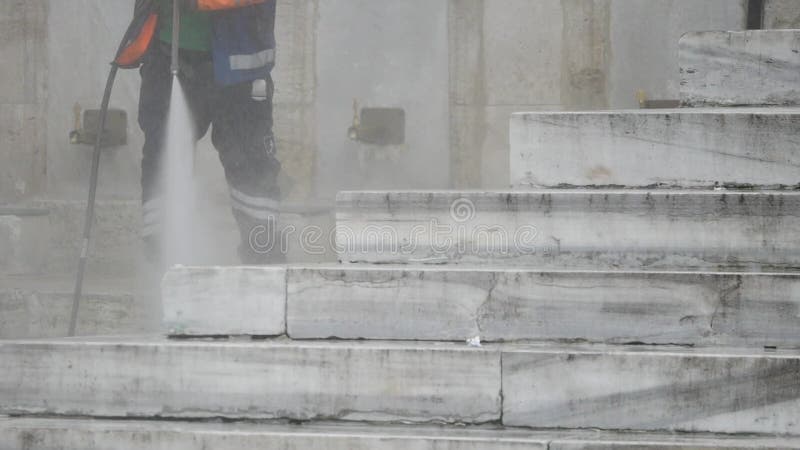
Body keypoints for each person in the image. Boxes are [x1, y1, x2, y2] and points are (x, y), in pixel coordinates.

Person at [117, 0, 282, 264]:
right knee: (163, 166)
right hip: (167, 57)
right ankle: (163, 269)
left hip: (239, 69)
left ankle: (265, 268)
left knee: (252, 173)